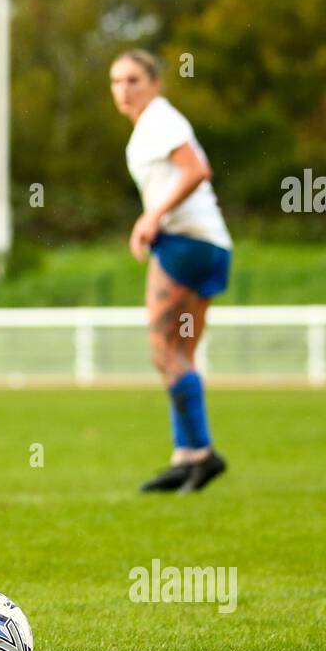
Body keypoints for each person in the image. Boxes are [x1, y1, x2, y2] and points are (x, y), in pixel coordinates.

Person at [109, 49, 230, 493]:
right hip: (213, 243)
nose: (123, 90)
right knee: (182, 354)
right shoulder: (155, 122)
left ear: (155, 83)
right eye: (116, 82)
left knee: (164, 351)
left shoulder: (159, 120)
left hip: (186, 243)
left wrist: (152, 217)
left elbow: (197, 170)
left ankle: (200, 451)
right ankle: (187, 456)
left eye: (133, 80)